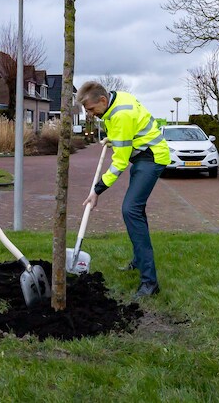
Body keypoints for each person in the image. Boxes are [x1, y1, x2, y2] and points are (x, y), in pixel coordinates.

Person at [79, 80, 169, 298]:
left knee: (130, 210)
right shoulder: (116, 100)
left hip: (152, 157)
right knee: (136, 211)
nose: (90, 114)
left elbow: (118, 163)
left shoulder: (120, 115)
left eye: (91, 110)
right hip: (142, 156)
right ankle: (139, 260)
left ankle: (150, 282)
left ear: (102, 100)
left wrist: (97, 190)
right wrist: (115, 138)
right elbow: (129, 131)